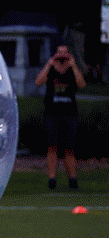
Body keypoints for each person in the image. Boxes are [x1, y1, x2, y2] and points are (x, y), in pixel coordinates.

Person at [35, 44, 86, 190]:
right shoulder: (50, 68)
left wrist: (74, 65)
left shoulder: (72, 69)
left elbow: (81, 84)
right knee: (52, 147)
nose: (62, 55)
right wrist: (50, 63)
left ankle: (73, 179)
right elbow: (38, 82)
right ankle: (52, 179)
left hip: (69, 113)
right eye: (59, 52)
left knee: (69, 148)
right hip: (52, 113)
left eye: (65, 52)